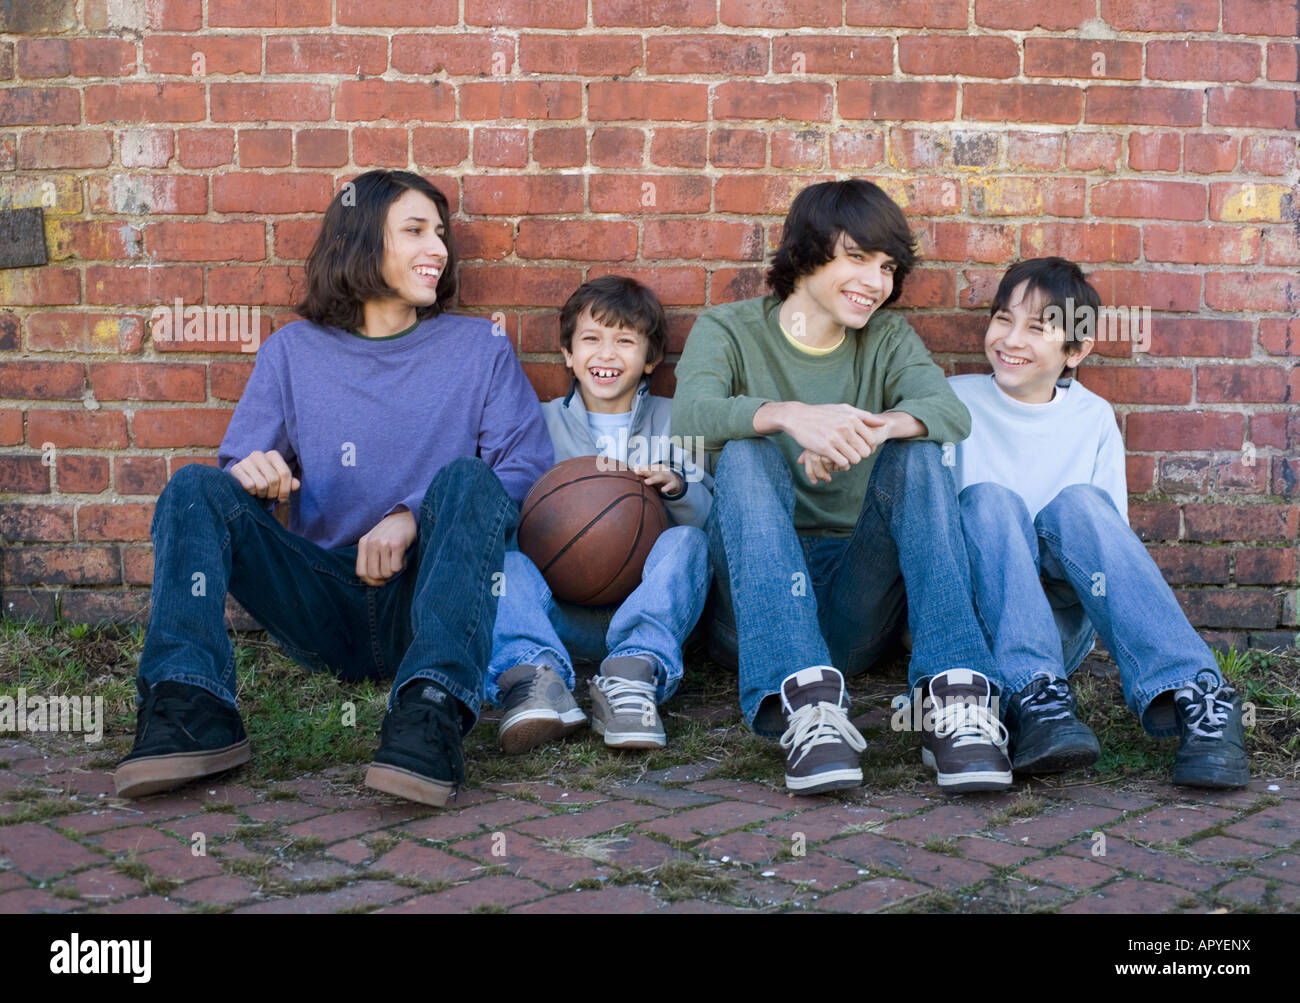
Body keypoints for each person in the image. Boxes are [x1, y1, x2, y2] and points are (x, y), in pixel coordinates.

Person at [113, 169, 553, 808]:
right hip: (318, 597)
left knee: (469, 477)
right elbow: (239, 471)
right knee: (193, 488)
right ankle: (190, 702)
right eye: (415, 231)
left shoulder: (479, 347)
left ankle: (430, 708)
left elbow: (525, 471)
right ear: (360, 242)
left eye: (441, 234)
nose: (439, 249)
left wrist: (412, 515)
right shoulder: (293, 351)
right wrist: (252, 475)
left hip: (425, 596)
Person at [672, 179, 1011, 795]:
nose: (876, 282)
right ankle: (806, 711)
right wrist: (789, 414)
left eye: (886, 267)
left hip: (856, 602)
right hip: (750, 603)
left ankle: (959, 702)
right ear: (805, 254)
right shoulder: (728, 328)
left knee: (918, 454)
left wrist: (871, 430)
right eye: (857, 258)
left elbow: (949, 410)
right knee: (747, 456)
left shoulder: (885, 337)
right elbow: (689, 416)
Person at [948, 256, 1249, 788]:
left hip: (1060, 626)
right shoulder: (954, 402)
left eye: (1038, 328)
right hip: (981, 626)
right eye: (1002, 318)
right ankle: (1036, 704)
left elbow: (1105, 560)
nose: (1011, 338)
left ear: (1076, 349)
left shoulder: (1092, 418)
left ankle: (1202, 700)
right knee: (990, 502)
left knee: (1083, 505)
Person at [489, 276, 712, 753]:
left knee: (689, 544)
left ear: (651, 358)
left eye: (625, 341)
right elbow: (508, 510)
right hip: (559, 613)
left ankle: (634, 673)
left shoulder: (678, 421)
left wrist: (678, 489)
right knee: (502, 563)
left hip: (647, 609)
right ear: (568, 353)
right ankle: (535, 675)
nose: (606, 354)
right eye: (591, 339)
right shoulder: (538, 422)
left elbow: (708, 523)